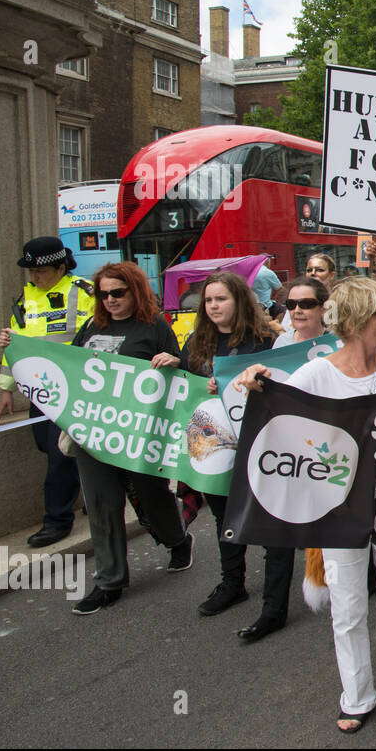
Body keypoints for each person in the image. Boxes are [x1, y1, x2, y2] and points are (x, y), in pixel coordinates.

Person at [235, 277, 376, 731]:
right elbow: (278, 405)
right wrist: (255, 379)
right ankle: (357, 692)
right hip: (339, 506)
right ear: (360, 322)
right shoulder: (317, 374)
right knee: (347, 605)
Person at [155, 272, 292, 640]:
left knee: (270, 519)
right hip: (216, 445)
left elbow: (286, 385)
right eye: (209, 301)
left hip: (262, 444)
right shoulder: (198, 342)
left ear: (240, 301)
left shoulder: (268, 339)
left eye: (222, 299)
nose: (214, 307)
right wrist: (177, 366)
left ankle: (275, 606)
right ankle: (233, 583)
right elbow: (188, 387)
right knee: (224, 515)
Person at [60, 263, 194, 614]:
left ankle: (177, 538)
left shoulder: (155, 326)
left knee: (152, 498)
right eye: (102, 294)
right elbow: (69, 365)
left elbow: (181, 375)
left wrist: (173, 361)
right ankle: (109, 581)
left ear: (135, 290)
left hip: (139, 431)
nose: (109, 300)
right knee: (103, 506)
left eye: (117, 293)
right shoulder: (91, 326)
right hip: (93, 431)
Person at [0, 237, 94, 548]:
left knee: (58, 453)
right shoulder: (26, 298)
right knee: (49, 447)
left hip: (77, 387)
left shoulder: (84, 291)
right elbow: (15, 346)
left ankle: (57, 521)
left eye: (40, 271)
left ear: (60, 267)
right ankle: (94, 488)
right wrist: (6, 389)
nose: (33, 277)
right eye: (30, 272)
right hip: (41, 391)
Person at [273, 277, 330, 347]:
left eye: (306, 304)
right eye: (291, 304)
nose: (297, 310)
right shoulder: (281, 343)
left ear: (323, 308)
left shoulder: (337, 342)